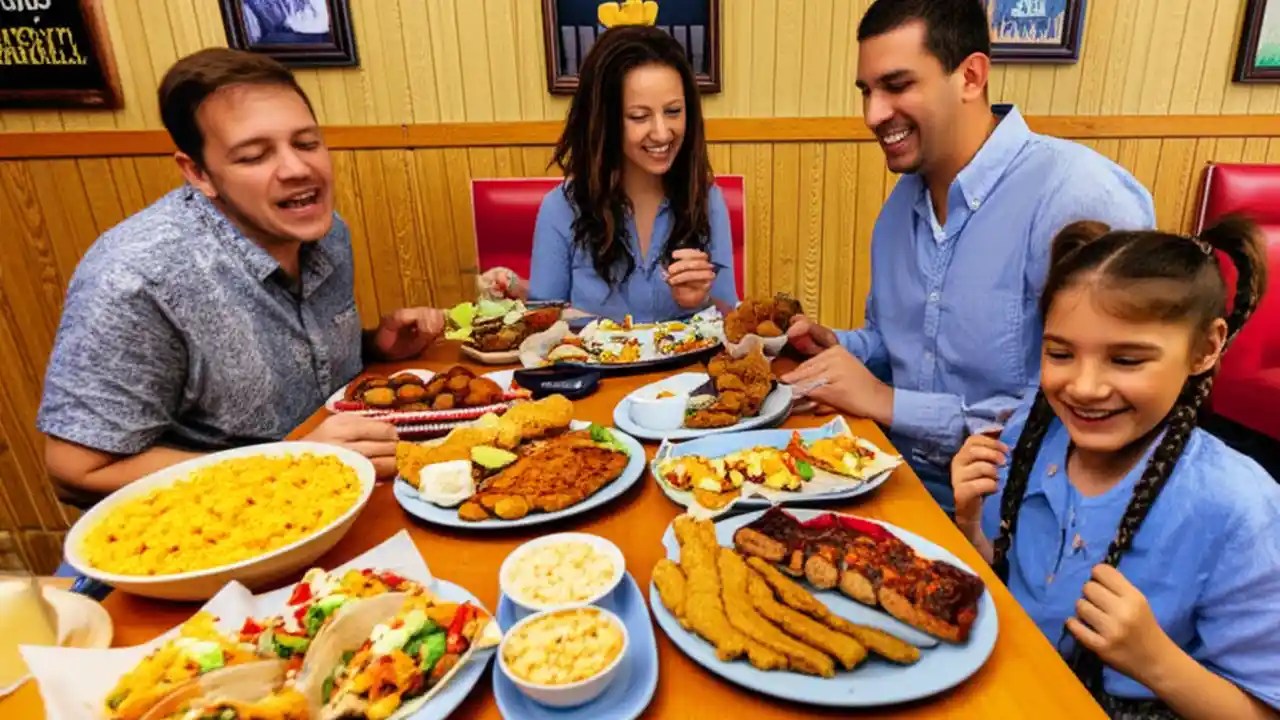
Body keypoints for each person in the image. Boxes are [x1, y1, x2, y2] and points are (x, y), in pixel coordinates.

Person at [782, 0, 1155, 511]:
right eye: (866, 92)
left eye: (897, 86)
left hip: (1023, 514)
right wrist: (835, 346)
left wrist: (888, 403)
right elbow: (899, 347)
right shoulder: (897, 210)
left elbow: (1089, 408)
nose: (872, 115)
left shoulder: (1078, 197)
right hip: (889, 482)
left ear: (972, 76)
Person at [38, 48, 444, 502]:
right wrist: (290, 464)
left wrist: (373, 346)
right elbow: (78, 468)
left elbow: (296, 375)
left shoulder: (328, 233)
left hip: (339, 497)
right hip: (214, 530)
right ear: (199, 173)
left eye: (307, 143)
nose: (297, 169)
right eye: (254, 156)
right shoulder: (136, 276)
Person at [952, 218, 1280, 718]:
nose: (1084, 386)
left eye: (1126, 360)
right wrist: (970, 526)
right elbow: (1017, 592)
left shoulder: (1240, 508)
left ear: (1206, 348)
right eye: (1060, 353)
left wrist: (1154, 660)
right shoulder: (1029, 433)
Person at [521, 24, 738, 323]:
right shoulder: (560, 208)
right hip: (592, 369)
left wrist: (702, 299)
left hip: (691, 369)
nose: (662, 133)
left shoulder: (707, 200)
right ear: (604, 120)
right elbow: (541, 325)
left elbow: (733, 319)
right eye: (639, 116)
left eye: (674, 111)